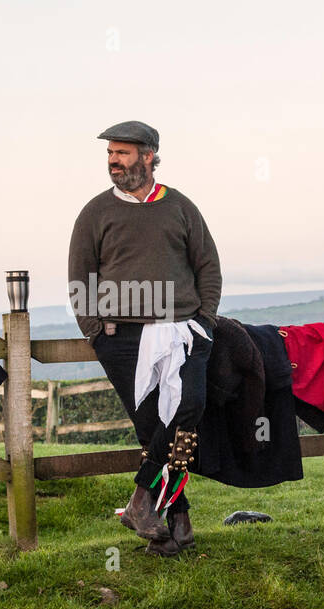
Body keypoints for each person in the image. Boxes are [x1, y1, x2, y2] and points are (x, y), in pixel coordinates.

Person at [68, 121, 222, 556]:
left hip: (183, 330)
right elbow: (80, 278)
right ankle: (178, 525)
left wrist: (206, 321)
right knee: (153, 428)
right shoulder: (96, 212)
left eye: (123, 153)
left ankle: (141, 501)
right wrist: (95, 333)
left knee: (189, 408)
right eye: (111, 154)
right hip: (121, 337)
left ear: (149, 156)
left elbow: (208, 267)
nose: (114, 161)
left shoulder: (181, 207)